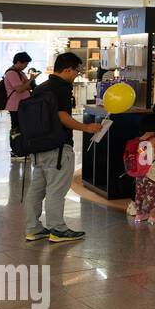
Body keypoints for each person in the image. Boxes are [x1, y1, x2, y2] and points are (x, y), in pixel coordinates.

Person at [22, 52, 104, 244]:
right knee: (56, 191)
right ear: (67, 69)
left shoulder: (41, 87)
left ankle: (33, 229)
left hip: (38, 147)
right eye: (76, 71)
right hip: (58, 149)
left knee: (36, 190)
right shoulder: (61, 88)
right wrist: (86, 128)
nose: (77, 74)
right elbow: (62, 117)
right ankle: (57, 230)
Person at [127, 112, 155, 225]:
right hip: (152, 170)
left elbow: (140, 153)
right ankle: (153, 216)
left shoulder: (139, 139)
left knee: (139, 192)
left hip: (140, 171)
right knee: (151, 193)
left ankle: (139, 214)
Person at [3, 51, 36, 159]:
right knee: (16, 128)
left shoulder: (20, 73)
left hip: (23, 105)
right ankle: (16, 151)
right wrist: (30, 80)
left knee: (23, 128)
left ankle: (22, 149)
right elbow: (20, 89)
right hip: (15, 105)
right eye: (25, 63)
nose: (26, 66)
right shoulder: (11, 73)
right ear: (18, 62)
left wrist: (30, 81)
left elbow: (29, 87)